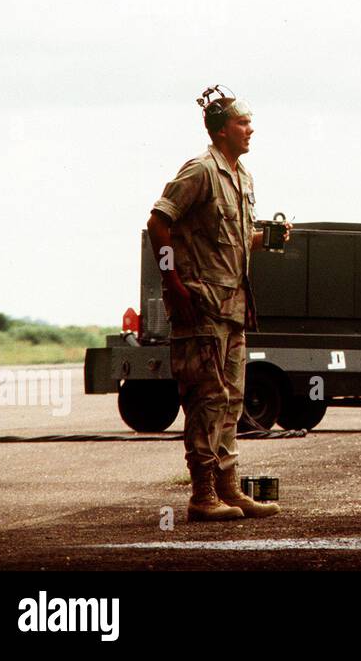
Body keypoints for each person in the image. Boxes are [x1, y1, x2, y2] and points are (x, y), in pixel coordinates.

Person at [146, 87, 290, 522]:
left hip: (234, 307)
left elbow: (235, 238)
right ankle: (203, 495)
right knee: (207, 399)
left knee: (231, 400)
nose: (251, 130)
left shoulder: (241, 177)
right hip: (202, 306)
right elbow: (158, 223)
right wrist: (172, 281)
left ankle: (228, 489)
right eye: (243, 123)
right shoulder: (200, 171)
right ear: (222, 129)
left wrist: (266, 240)